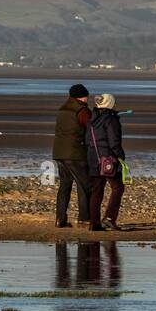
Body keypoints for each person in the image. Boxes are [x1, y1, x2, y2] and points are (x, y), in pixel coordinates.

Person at [52, 83, 93, 228]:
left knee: (64, 186)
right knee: (85, 185)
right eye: (86, 96)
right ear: (81, 97)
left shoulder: (62, 110)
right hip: (75, 153)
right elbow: (90, 130)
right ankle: (84, 217)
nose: (88, 98)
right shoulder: (82, 111)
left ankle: (60, 219)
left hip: (59, 153)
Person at [85, 92, 125, 231]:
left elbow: (88, 139)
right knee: (118, 187)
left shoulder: (92, 118)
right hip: (108, 159)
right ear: (110, 103)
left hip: (92, 158)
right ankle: (109, 218)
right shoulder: (110, 119)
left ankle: (94, 224)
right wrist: (121, 157)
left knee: (96, 190)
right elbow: (114, 141)